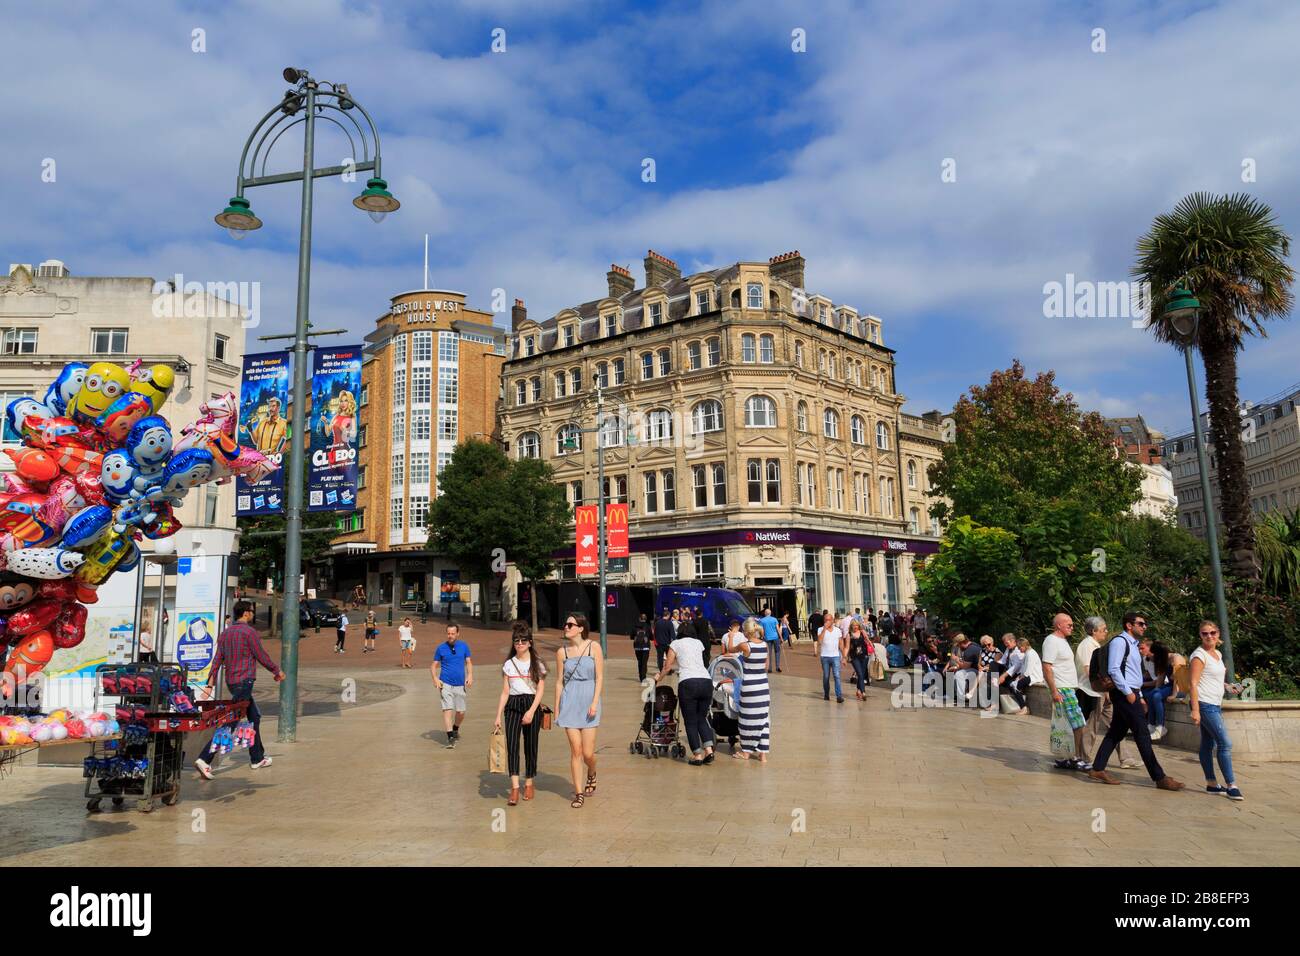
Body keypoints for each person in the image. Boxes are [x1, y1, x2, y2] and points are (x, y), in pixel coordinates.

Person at [1087, 612, 1184, 791]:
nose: (1144, 626)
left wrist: (1138, 696)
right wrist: (1129, 693)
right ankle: (1159, 777)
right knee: (1142, 734)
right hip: (1124, 693)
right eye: (1140, 623)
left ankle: (1097, 768)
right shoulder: (1120, 642)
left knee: (1115, 733)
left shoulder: (1133, 645)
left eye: (1145, 624)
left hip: (1132, 692)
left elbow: (1133, 674)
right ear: (1129, 625)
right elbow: (1114, 669)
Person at [194, 601, 283, 778]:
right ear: (246, 613)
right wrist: (276, 670)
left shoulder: (225, 634)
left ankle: (257, 758)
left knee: (254, 716)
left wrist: (209, 685)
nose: (252, 614)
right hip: (245, 681)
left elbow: (217, 660)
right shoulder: (249, 632)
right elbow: (261, 655)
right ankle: (205, 758)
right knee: (231, 721)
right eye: (252, 611)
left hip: (232, 682)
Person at [494, 622, 547, 806]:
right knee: (513, 746)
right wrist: (498, 715)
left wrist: (532, 711)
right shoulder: (508, 664)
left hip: (532, 704)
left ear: (530, 642)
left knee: (531, 746)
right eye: (516, 640)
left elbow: (540, 690)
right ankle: (515, 787)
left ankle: (529, 783)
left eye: (523, 640)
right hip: (513, 705)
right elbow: (505, 692)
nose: (520, 643)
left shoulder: (537, 664)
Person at [1189, 620, 1243, 800]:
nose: (1209, 636)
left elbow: (1214, 679)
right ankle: (1231, 785)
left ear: (1218, 634)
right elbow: (1193, 683)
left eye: (1212, 633)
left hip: (1214, 703)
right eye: (1205, 634)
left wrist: (1228, 687)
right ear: (1200, 636)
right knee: (1225, 743)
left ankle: (1212, 784)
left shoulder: (1217, 654)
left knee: (1207, 744)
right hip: (1204, 704)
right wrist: (1195, 710)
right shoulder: (1199, 655)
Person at [1077, 617, 1139, 769]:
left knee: (1117, 724)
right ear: (1093, 631)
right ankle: (1084, 758)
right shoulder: (1087, 645)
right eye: (1103, 629)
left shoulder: (1095, 645)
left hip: (1102, 693)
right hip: (1092, 692)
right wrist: (1105, 691)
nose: (1106, 632)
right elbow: (1088, 669)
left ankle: (1125, 758)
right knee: (1091, 727)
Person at [556, 613, 603, 808]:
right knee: (576, 750)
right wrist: (557, 707)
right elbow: (559, 682)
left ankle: (591, 771)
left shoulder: (594, 647)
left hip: (589, 700)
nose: (566, 627)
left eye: (570, 624)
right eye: (565, 624)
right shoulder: (562, 652)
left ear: (581, 628)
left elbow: (599, 677)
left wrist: (594, 702)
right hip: (569, 701)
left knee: (588, 753)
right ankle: (578, 793)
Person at [656, 619, 715, 765]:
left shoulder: (675, 644)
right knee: (701, 718)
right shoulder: (698, 643)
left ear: (679, 632)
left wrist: (658, 678)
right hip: (706, 681)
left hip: (688, 683)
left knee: (690, 721)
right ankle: (709, 751)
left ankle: (697, 755)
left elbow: (668, 666)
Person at [1041, 613, 1090, 771]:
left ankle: (1065, 757)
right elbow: (1047, 666)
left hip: (1067, 688)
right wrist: (1054, 691)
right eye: (1068, 624)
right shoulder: (1051, 641)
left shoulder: (1062, 641)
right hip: (1062, 689)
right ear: (1058, 626)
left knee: (1067, 725)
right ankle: (1074, 757)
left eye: (1072, 624)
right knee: (1079, 723)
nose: (1072, 626)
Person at [733, 617, 771, 761]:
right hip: (763, 685)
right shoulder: (764, 645)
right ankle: (763, 755)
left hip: (750, 686)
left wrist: (731, 636)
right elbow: (766, 667)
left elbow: (730, 649)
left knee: (747, 719)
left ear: (746, 631)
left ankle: (746, 752)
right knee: (763, 719)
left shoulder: (745, 645)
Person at [431, 623, 472, 748]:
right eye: (448, 633)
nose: (450, 636)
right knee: (447, 709)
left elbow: (469, 662)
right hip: (445, 683)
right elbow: (433, 665)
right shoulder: (441, 648)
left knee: (461, 712)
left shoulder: (464, 646)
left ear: (457, 634)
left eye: (453, 633)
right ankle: (450, 737)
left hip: (460, 684)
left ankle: (455, 728)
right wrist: (435, 678)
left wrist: (470, 675)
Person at [1142, 640, 1176, 740]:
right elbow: (1160, 678)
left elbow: (1178, 680)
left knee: (1156, 696)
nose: (1152, 656)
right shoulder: (1163, 660)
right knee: (1152, 694)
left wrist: (1174, 695)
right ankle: (1151, 725)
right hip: (1169, 685)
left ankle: (1160, 727)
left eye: (1154, 653)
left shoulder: (1175, 658)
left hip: (1178, 687)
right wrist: (1156, 690)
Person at [816, 611, 846, 703]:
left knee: (837, 676)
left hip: (835, 656)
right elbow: (820, 642)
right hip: (825, 656)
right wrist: (824, 629)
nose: (827, 621)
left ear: (832, 620)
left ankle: (839, 696)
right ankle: (826, 694)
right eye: (826, 620)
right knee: (826, 676)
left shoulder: (837, 630)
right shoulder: (820, 629)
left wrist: (844, 657)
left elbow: (841, 643)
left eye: (829, 620)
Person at [999, 635, 1029, 713]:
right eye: (1005, 643)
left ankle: (1024, 707)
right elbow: (1003, 660)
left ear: (1013, 641)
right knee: (996, 678)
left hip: (1017, 673)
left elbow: (1017, 666)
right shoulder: (1009, 649)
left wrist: (1004, 675)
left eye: (1007, 643)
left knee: (1012, 685)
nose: (1006, 645)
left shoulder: (1018, 650)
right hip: (1010, 672)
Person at [948, 633, 980, 703]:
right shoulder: (974, 645)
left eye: (958, 645)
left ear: (961, 643)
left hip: (978, 671)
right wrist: (957, 666)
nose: (958, 647)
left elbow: (965, 667)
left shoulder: (969, 650)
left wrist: (956, 659)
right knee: (958, 672)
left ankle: (961, 697)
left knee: (959, 674)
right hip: (977, 669)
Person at [847, 619, 872, 700]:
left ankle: (858, 689)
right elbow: (847, 647)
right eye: (854, 625)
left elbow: (868, 641)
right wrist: (845, 657)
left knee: (861, 674)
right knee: (860, 674)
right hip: (854, 657)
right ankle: (863, 692)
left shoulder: (862, 632)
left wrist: (873, 649)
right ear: (851, 626)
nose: (855, 627)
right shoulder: (849, 635)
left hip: (864, 656)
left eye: (857, 625)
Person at [760, 607, 782, 674]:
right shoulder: (774, 619)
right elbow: (777, 629)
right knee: (777, 651)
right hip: (775, 637)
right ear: (770, 613)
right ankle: (777, 667)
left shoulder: (762, 620)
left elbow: (762, 630)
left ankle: (770, 668)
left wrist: (762, 636)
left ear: (765, 613)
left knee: (769, 653)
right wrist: (781, 637)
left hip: (767, 638)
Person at [631, 613, 652, 682]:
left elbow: (631, 637)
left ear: (639, 619)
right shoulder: (648, 626)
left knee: (639, 662)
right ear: (645, 619)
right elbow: (651, 637)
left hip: (637, 647)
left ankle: (641, 677)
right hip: (646, 647)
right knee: (644, 662)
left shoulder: (635, 626)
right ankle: (643, 678)